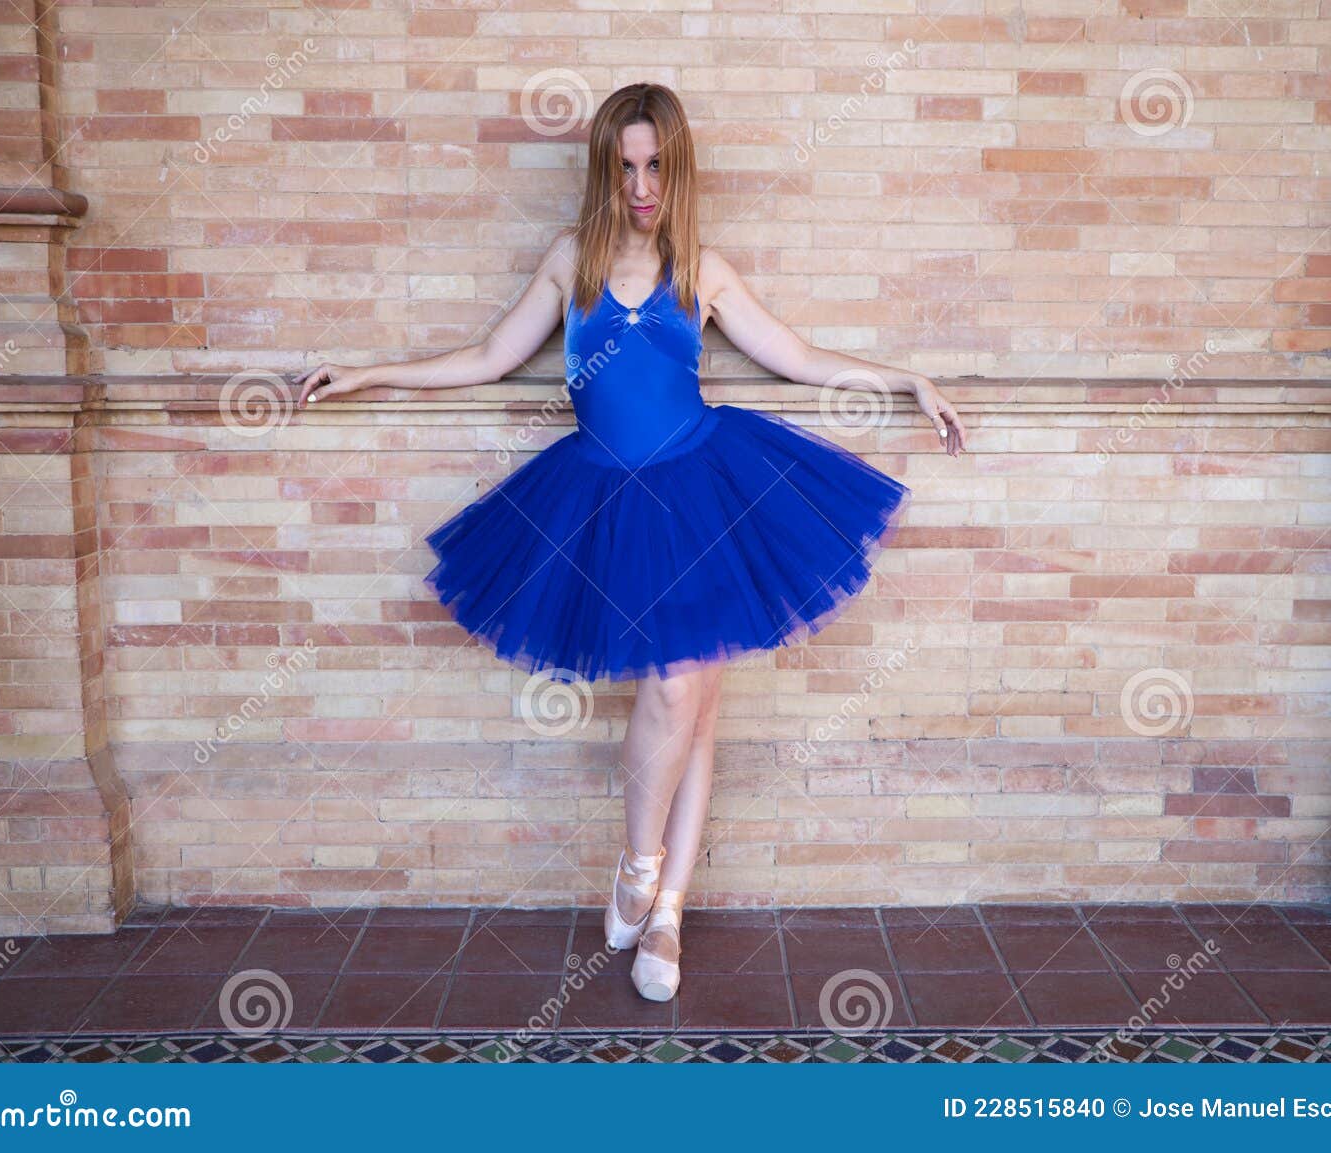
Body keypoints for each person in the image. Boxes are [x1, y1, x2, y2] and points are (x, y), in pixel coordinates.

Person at [295, 82, 967, 1003]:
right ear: (603, 172)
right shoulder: (572, 263)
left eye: (656, 167)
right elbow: (488, 358)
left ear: (677, 169)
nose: (642, 188)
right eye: (625, 169)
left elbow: (800, 356)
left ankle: (665, 907)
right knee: (680, 693)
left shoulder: (701, 270)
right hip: (604, 500)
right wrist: (369, 372)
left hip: (706, 487)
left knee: (696, 697)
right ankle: (640, 863)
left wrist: (907, 379)